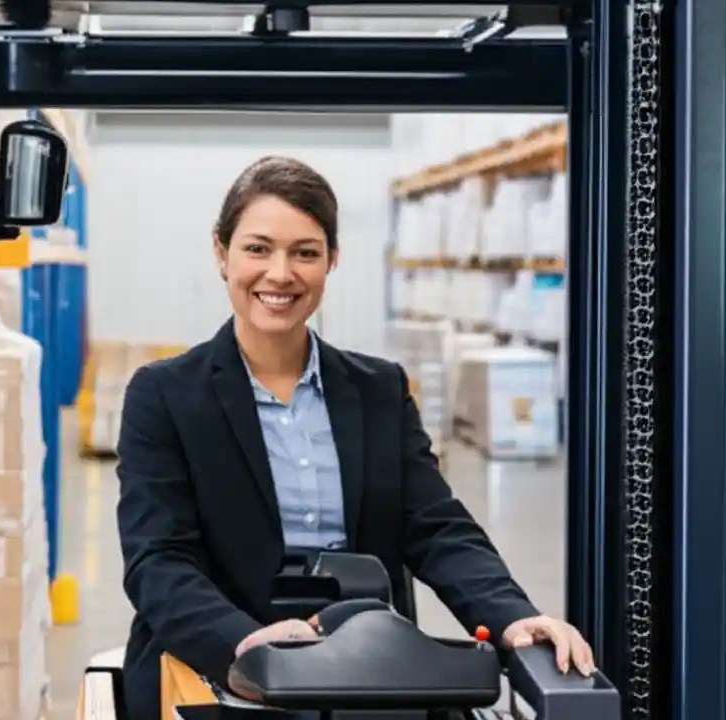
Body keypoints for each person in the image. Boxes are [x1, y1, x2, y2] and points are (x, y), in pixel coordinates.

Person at [114, 156, 594, 720]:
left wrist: (513, 616)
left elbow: (437, 527)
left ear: (332, 260)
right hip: (218, 672)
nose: (280, 273)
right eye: (258, 248)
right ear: (222, 254)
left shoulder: (378, 390)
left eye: (305, 252)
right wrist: (244, 644)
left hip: (365, 671)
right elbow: (158, 559)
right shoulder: (164, 395)